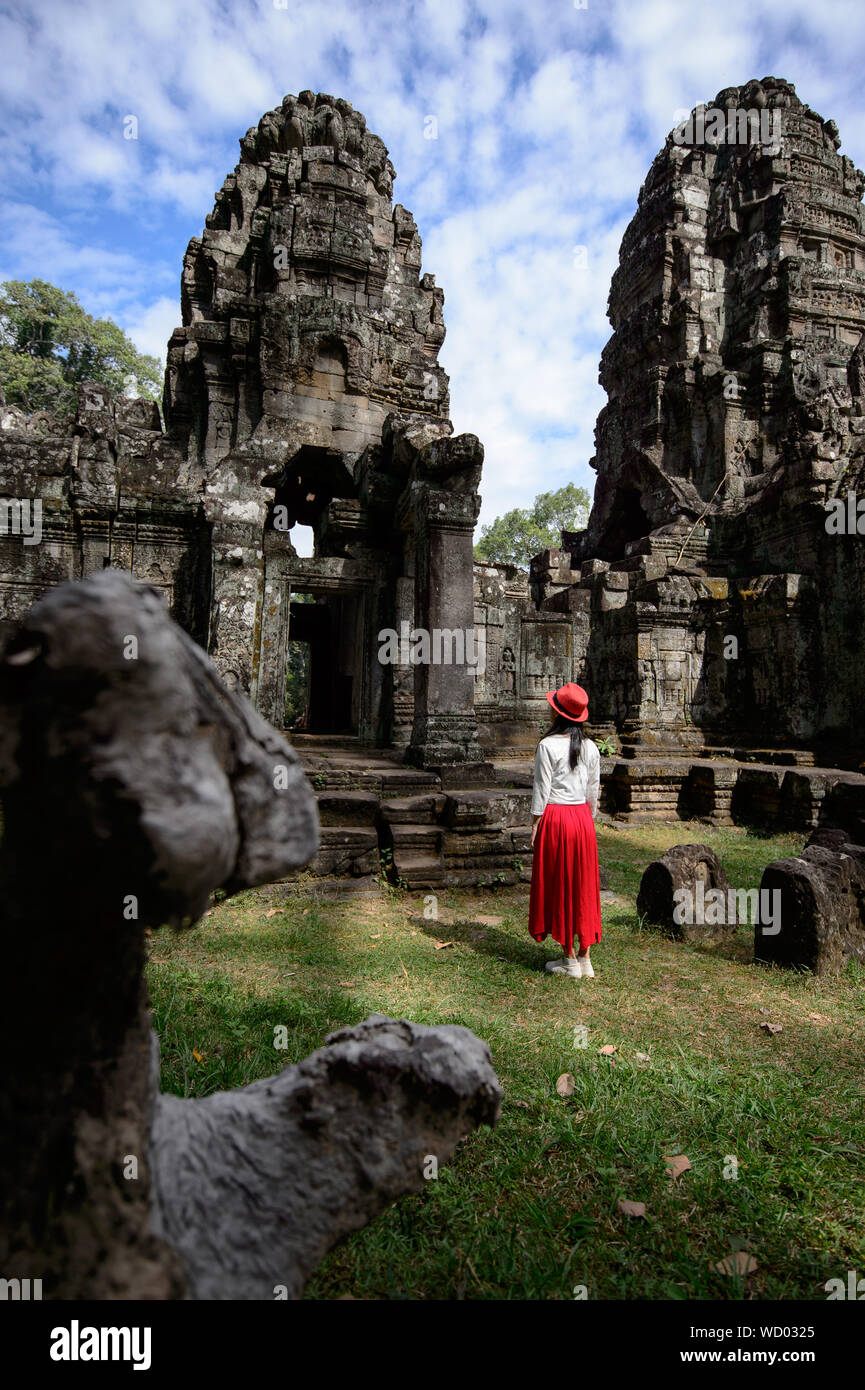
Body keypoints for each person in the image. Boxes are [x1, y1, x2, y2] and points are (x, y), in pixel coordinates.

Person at [528, 682, 602, 978]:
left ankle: (569, 958)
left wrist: (535, 824)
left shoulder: (547, 746)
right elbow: (592, 791)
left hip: (556, 818)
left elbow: (541, 789)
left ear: (556, 713)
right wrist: (588, 821)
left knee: (560, 883)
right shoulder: (592, 747)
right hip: (582, 819)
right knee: (583, 884)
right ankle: (585, 956)